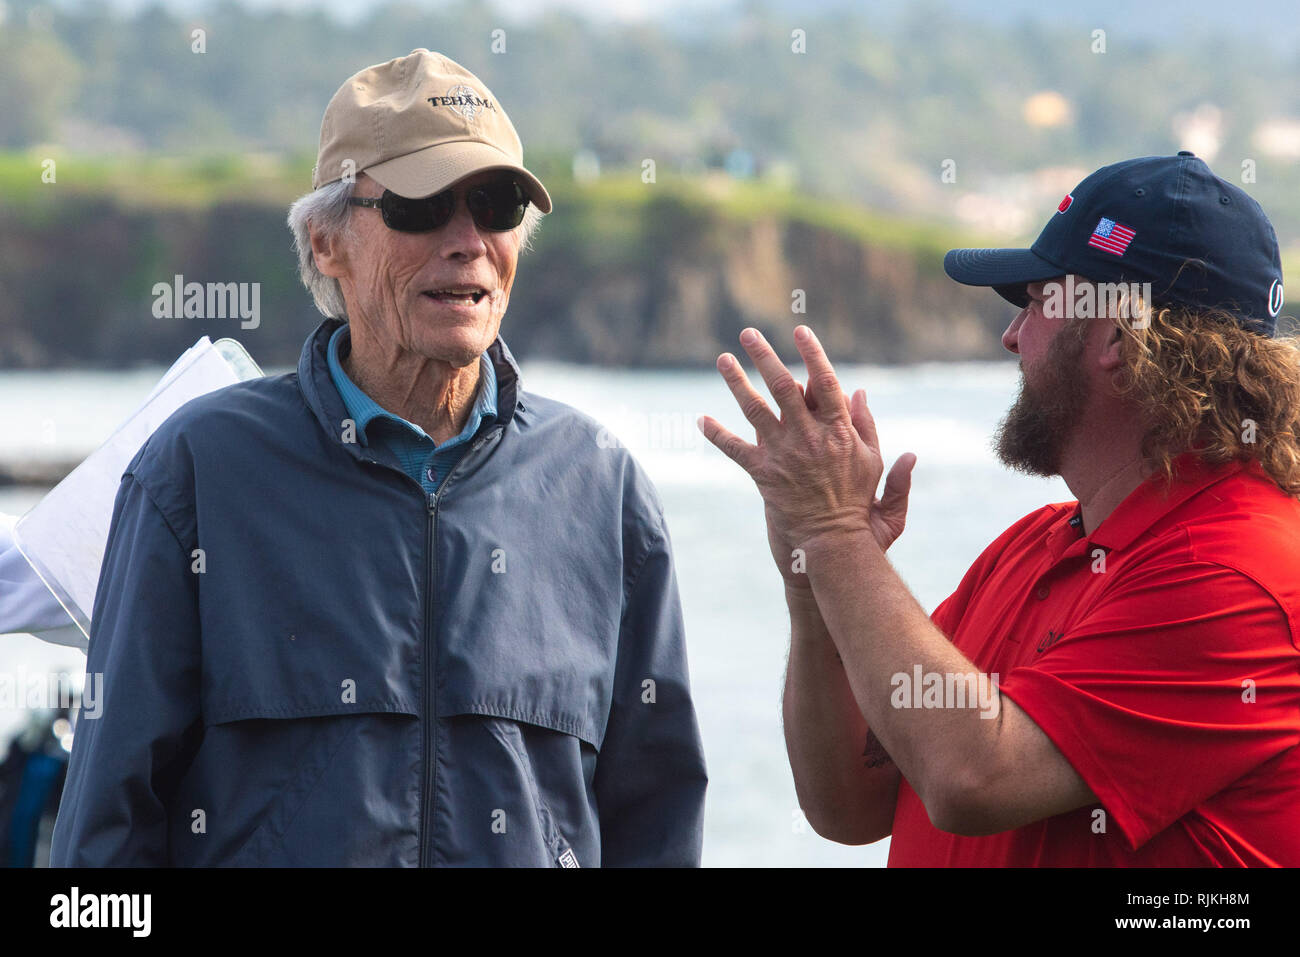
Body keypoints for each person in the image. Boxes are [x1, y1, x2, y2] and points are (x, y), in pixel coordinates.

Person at [50, 49, 706, 867]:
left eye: (495, 205)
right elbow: (107, 834)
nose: (467, 242)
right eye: (423, 205)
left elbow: (658, 822)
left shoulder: (602, 488)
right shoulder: (198, 472)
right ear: (327, 242)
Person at [699, 152, 1300, 865]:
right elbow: (849, 802)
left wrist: (835, 536)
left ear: (1117, 336)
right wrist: (812, 578)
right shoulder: (1036, 547)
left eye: (1037, 300)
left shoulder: (1242, 576)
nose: (1011, 336)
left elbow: (971, 775)